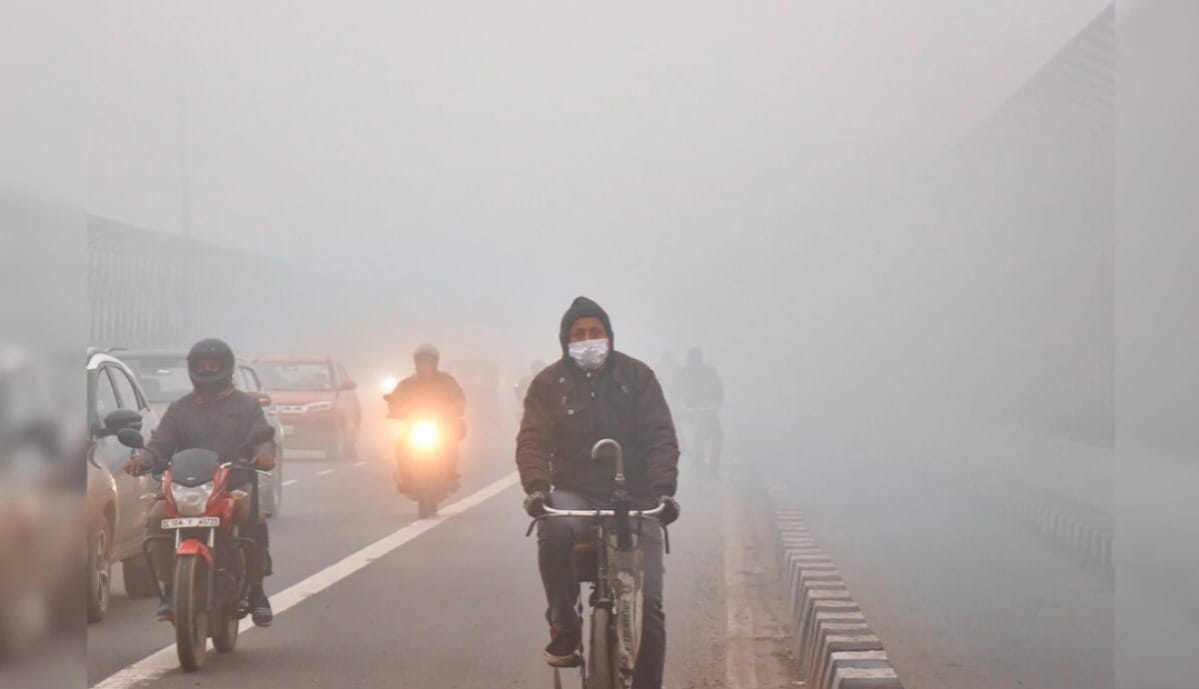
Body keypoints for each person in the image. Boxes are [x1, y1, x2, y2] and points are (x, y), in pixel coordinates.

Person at [516, 296, 680, 688]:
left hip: (637, 500)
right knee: (552, 526)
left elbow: (661, 436)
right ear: (565, 341)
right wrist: (538, 488)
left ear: (609, 335)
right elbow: (532, 441)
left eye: (594, 332)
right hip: (577, 495)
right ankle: (564, 628)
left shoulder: (637, 377)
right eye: (578, 335)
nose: (587, 340)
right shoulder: (547, 385)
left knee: (650, 609)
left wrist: (663, 491)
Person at [123, 338, 278, 626]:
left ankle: (257, 592)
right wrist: (142, 460)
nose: (207, 371)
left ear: (226, 368)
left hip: (235, 484)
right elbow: (159, 444)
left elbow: (263, 435)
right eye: (202, 367)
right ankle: (170, 591)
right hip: (189, 488)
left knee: (250, 518)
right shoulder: (180, 409)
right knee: (156, 519)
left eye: (213, 366)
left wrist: (264, 455)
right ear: (193, 370)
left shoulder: (247, 406)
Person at [385, 344, 466, 487]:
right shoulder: (407, 383)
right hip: (414, 423)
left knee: (450, 441)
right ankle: (404, 473)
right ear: (416, 363)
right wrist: (394, 408)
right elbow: (395, 399)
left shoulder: (447, 381)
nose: (425, 365)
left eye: (428, 361)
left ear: (435, 363)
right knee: (402, 444)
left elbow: (459, 398)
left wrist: (456, 409)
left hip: (441, 423)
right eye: (422, 361)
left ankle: (450, 472)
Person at [674, 347, 724, 478]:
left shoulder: (686, 372)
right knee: (715, 436)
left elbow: (719, 392)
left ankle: (709, 467)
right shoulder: (688, 373)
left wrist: (715, 405)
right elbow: (676, 392)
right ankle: (710, 467)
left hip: (703, 412)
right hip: (695, 412)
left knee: (716, 436)